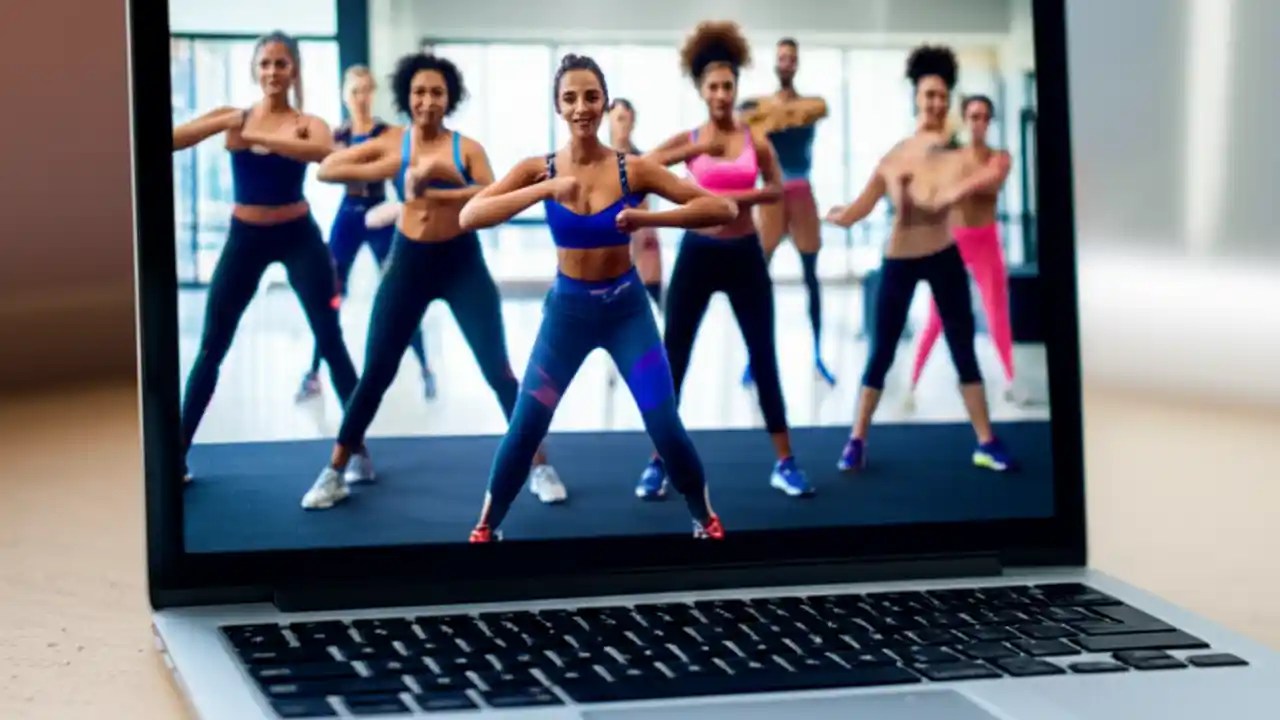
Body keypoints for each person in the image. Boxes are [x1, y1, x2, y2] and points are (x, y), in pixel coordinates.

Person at [459, 53, 738, 542]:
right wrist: (545, 188)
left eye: (591, 96)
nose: (582, 107)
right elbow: (471, 215)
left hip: (627, 311)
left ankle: (704, 517)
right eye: (571, 98)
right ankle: (486, 527)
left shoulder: (634, 170)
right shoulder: (537, 168)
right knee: (526, 426)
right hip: (567, 313)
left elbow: (721, 206)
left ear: (605, 102)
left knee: (665, 426)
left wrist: (648, 220)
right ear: (558, 107)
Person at [300, 52, 564, 510]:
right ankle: (337, 469)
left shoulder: (467, 149)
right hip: (409, 263)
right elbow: (327, 170)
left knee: (498, 371)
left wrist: (441, 178)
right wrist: (387, 172)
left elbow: (494, 199)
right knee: (377, 371)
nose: (427, 101)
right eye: (419, 92)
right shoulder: (394, 144)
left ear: (449, 98)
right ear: (407, 96)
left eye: (436, 92)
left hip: (462, 263)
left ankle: (538, 463)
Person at [170, 31, 357, 484]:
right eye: (266, 64)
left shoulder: (306, 122)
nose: (273, 72)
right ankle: (175, 454)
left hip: (298, 236)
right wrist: (225, 124)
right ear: (256, 70)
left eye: (282, 63)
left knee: (329, 339)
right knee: (213, 345)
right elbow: (172, 140)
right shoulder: (235, 116)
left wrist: (253, 135)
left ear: (294, 70)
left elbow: (327, 153)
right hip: (245, 238)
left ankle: (357, 450)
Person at [640, 21, 813, 499]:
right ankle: (658, 462)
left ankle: (786, 462)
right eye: (712, 86)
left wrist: (739, 198)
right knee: (674, 360)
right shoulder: (692, 136)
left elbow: (778, 188)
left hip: (744, 256)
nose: (720, 93)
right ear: (700, 90)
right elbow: (645, 166)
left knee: (765, 358)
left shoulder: (755, 140)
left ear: (736, 88)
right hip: (697, 256)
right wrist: (699, 149)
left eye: (727, 85)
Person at [824, 44, 1013, 474]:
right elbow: (860, 208)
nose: (935, 103)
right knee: (882, 353)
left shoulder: (957, 154)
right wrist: (836, 215)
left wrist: (939, 193)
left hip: (943, 253)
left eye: (942, 96)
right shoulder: (895, 155)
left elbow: (968, 183)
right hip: (900, 258)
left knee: (963, 346)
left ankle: (986, 440)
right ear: (915, 97)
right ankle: (857, 439)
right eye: (929, 95)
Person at [295, 65, 436, 405]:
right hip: (348, 216)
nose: (360, 97)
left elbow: (408, 178)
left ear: (372, 93)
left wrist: (399, 207)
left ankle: (426, 369)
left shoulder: (387, 133)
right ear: (345, 95)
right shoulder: (338, 136)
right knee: (329, 293)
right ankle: (313, 373)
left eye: (365, 90)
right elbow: (322, 167)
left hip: (378, 215)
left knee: (399, 292)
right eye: (354, 91)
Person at [907, 94, 1023, 406]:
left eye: (984, 117)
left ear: (990, 122)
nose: (978, 123)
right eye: (973, 116)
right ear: (965, 119)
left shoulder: (1000, 157)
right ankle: (912, 382)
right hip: (954, 241)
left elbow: (991, 180)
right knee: (936, 317)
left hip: (986, 240)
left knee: (997, 313)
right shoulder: (952, 158)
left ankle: (1011, 381)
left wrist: (955, 189)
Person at [739, 38, 837, 387]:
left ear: (796, 64)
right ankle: (755, 357)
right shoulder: (757, 106)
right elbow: (743, 119)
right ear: (775, 63)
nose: (786, 63)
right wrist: (777, 115)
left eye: (791, 58)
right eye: (781, 57)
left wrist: (771, 117)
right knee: (756, 279)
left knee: (811, 276)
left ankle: (818, 354)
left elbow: (819, 108)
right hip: (771, 194)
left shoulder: (809, 105)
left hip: (801, 192)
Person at [608, 98, 663, 309]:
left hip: (643, 247)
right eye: (618, 119)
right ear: (609, 121)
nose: (622, 125)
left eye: (626, 120)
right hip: (613, 250)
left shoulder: (644, 163)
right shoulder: (599, 163)